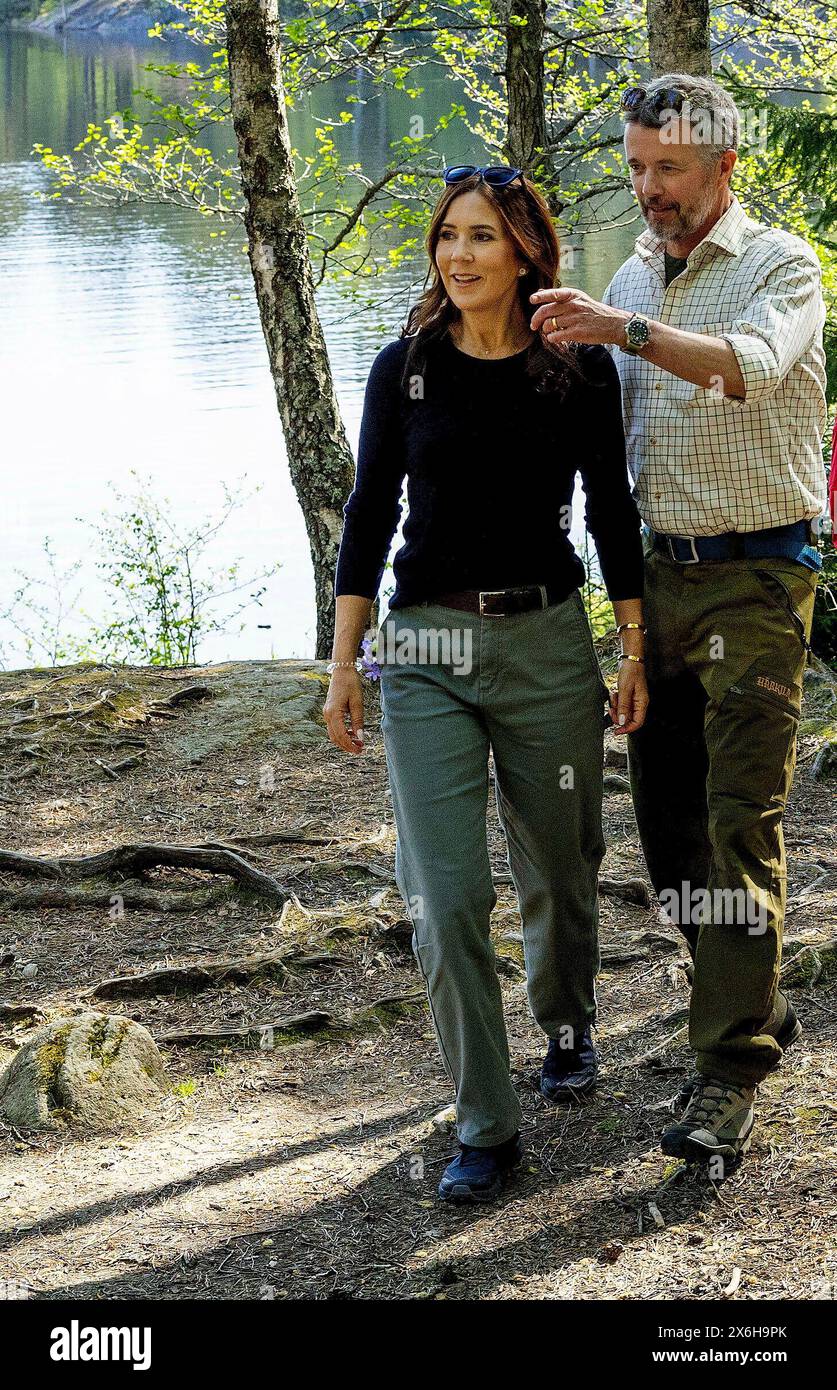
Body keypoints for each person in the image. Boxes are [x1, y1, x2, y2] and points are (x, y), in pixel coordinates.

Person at [324, 165, 647, 1203]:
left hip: (548, 642)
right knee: (447, 894)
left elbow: (610, 512)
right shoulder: (404, 368)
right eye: (447, 236)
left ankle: (566, 1023)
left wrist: (632, 644)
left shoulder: (576, 368)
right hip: (424, 652)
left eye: (482, 238)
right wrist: (344, 664)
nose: (458, 255)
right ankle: (486, 1123)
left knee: (562, 859)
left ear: (524, 253)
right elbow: (369, 517)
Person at [530, 74, 828, 1167]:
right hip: (660, 585)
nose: (649, 188)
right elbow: (602, 454)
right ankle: (747, 1003)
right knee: (671, 837)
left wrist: (623, 327)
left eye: (669, 168)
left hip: (759, 581)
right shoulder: (627, 273)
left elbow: (749, 368)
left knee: (740, 822)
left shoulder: (780, 266)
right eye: (638, 166)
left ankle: (729, 1070)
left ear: (722, 167)